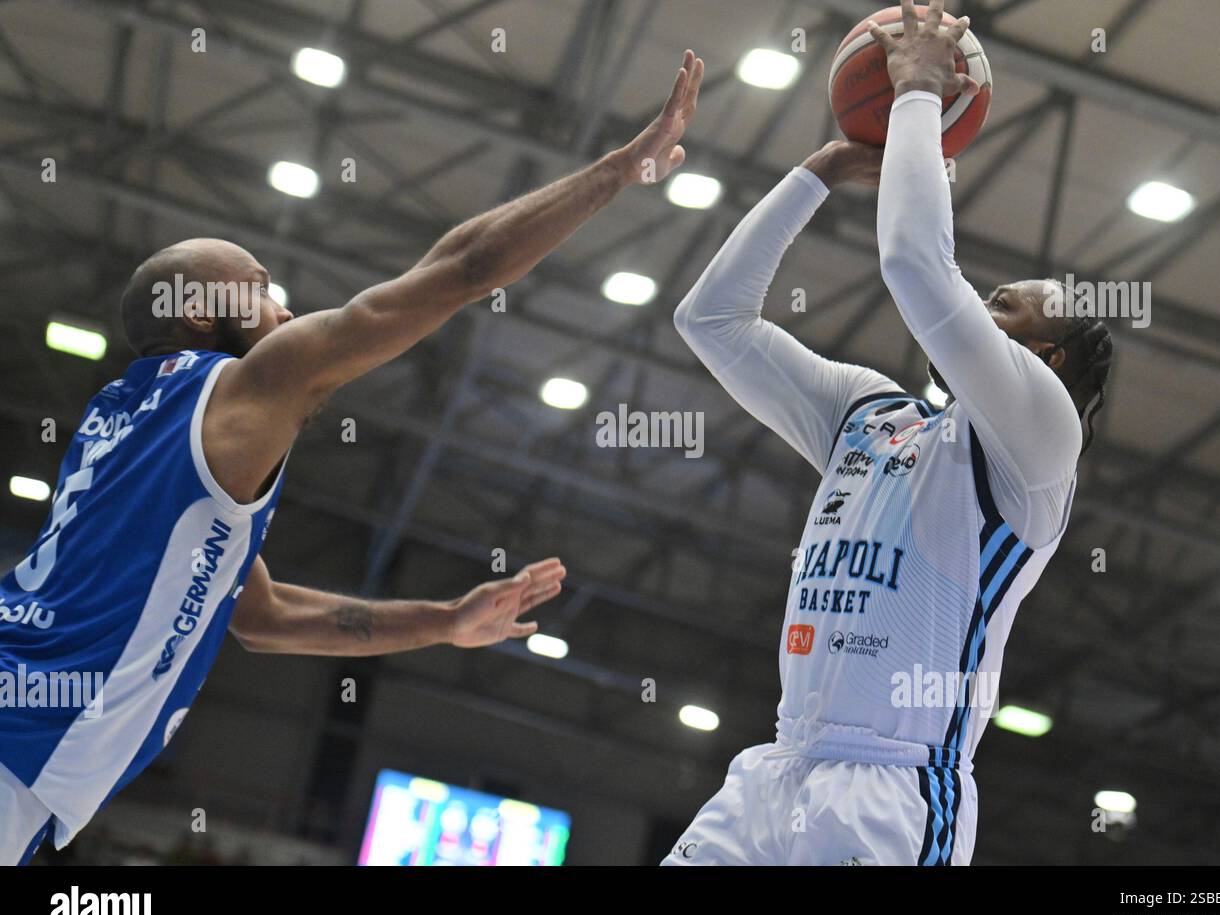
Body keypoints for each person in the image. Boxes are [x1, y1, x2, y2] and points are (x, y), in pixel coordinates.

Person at [0, 51, 706, 866]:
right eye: (260, 285)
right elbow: (460, 273)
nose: (285, 304)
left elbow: (263, 619)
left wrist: (445, 622)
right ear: (199, 312)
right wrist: (623, 167)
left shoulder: (118, 422)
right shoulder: (240, 385)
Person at [665, 3, 1110, 865]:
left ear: (1045, 358)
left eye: (1003, 307)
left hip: (894, 793)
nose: (979, 306)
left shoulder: (1041, 446)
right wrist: (819, 172)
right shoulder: (870, 413)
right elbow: (709, 319)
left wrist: (917, 92)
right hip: (773, 771)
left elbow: (915, 264)